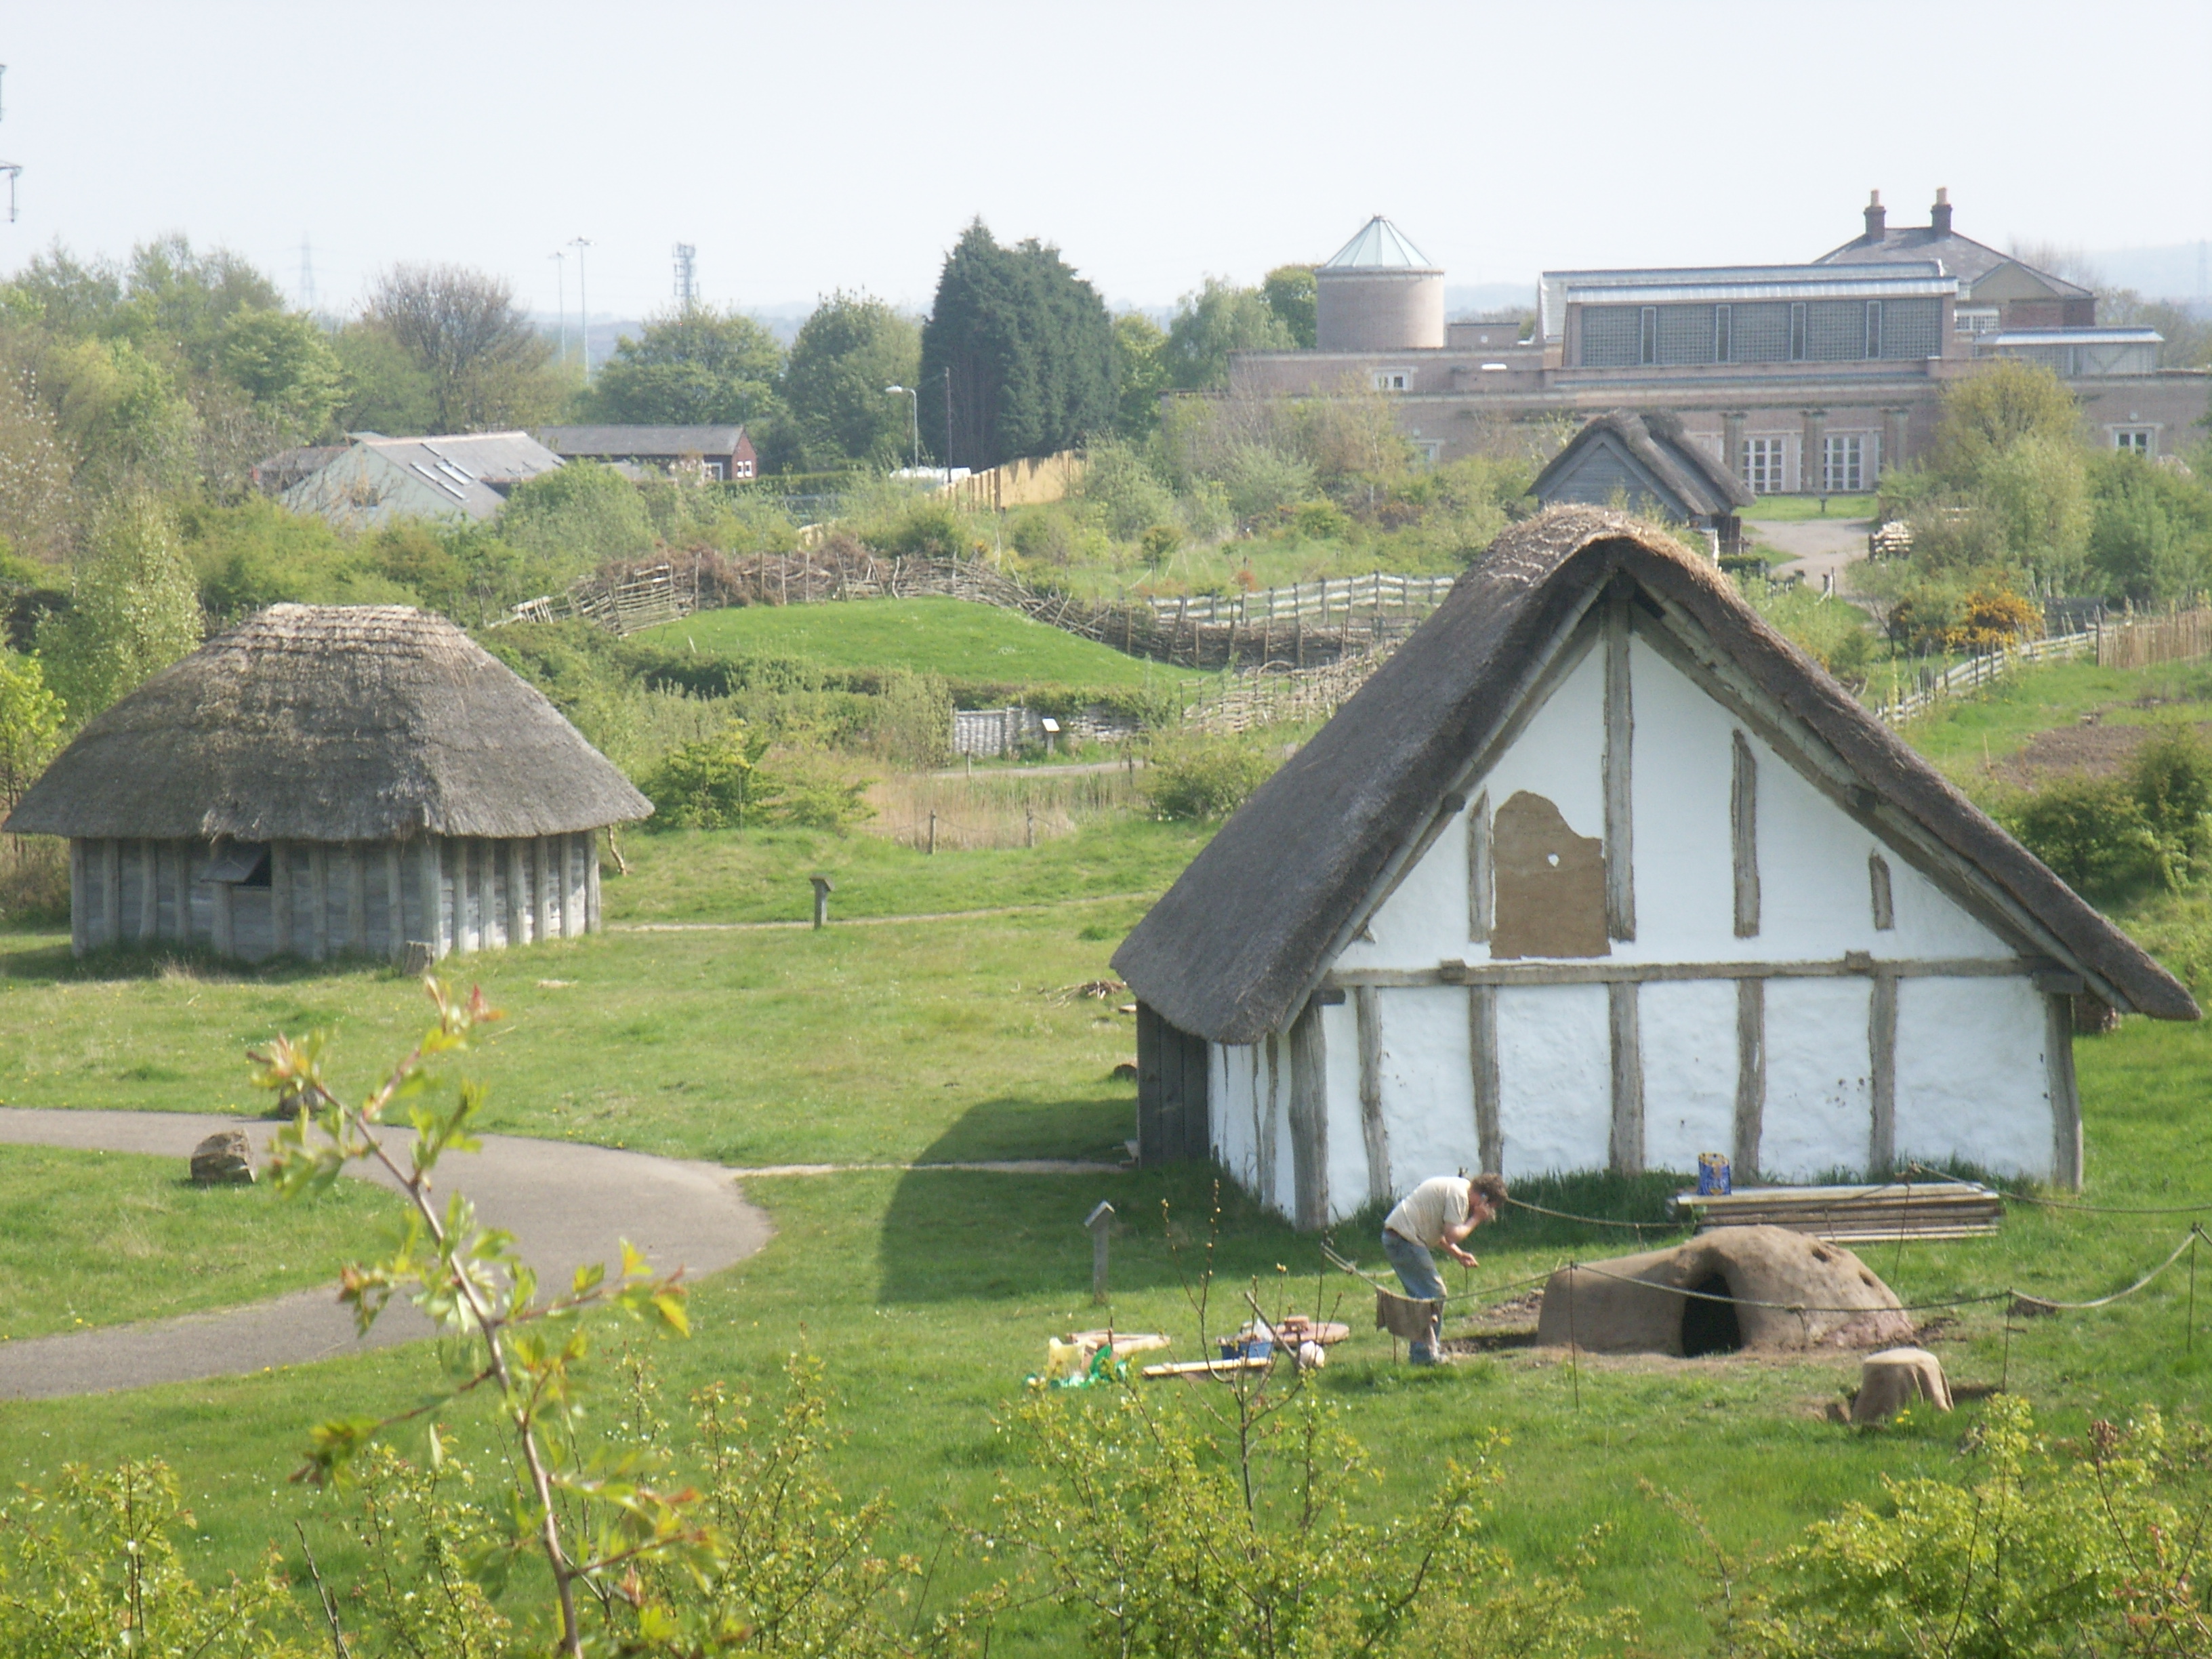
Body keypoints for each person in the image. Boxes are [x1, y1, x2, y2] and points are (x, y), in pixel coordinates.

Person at [1380, 1172, 1508, 1364]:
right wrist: (1476, 1219)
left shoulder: (1458, 1188)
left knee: (1424, 1297)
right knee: (1433, 1294)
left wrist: (1458, 1254)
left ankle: (1423, 1353)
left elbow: (1434, 1229)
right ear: (1483, 1198)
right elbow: (1452, 1235)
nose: (1488, 1211)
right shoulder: (1459, 1196)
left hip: (1399, 1237)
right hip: (1404, 1240)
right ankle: (1424, 1356)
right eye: (1489, 1206)